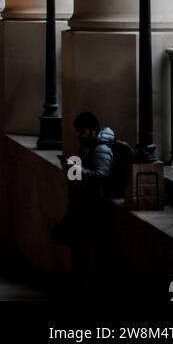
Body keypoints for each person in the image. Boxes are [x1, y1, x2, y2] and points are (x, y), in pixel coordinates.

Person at [52, 110, 117, 279]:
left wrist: (78, 170)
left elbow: (102, 175)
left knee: (84, 252)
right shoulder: (88, 146)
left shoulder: (100, 148)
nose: (78, 135)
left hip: (92, 207)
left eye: (82, 131)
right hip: (83, 205)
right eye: (78, 131)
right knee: (79, 250)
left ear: (93, 129)